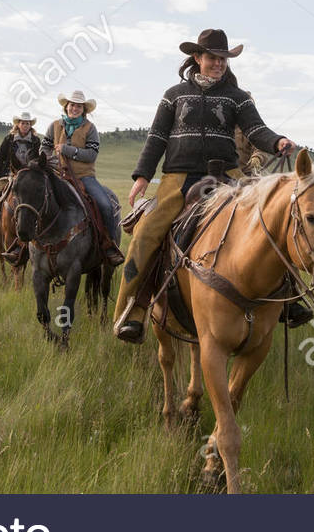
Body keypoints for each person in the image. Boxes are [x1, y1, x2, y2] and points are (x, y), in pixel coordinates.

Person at [112, 29, 296, 345]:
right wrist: (142, 176)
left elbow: (256, 129)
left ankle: (290, 299)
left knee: (269, 223)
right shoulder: (173, 95)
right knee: (145, 233)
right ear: (197, 58)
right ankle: (132, 311)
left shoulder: (238, 97)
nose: (218, 64)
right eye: (212, 58)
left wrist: (277, 140)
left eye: (223, 59)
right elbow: (156, 137)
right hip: (178, 180)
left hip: (227, 176)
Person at [39, 91, 126, 269]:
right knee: (35, 201)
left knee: (105, 205)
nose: (74, 108)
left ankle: (109, 245)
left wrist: (67, 150)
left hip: (84, 176)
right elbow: (44, 147)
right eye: (72, 105)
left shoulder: (90, 128)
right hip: (57, 176)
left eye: (78, 106)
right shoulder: (54, 125)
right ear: (66, 106)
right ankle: (26, 246)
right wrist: (50, 159)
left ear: (83, 109)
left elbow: (92, 154)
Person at [0, 112, 41, 234]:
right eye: (23, 123)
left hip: (28, 174)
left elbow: (38, 158)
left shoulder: (35, 140)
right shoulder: (9, 138)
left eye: (27, 123)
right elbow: (0, 155)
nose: (25, 125)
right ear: (18, 124)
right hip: (9, 173)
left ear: (30, 125)